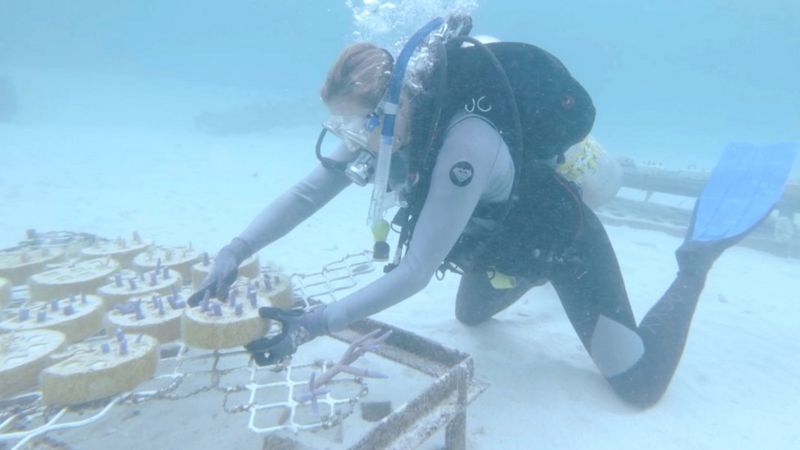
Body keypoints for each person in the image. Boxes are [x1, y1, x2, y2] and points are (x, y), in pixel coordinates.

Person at [188, 16, 747, 408]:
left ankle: (695, 262)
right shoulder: (389, 125)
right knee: (472, 314)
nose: (353, 139)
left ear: (392, 103)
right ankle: (528, 275)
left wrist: (317, 323)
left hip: (561, 241)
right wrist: (236, 251)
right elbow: (310, 192)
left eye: (358, 124)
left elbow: (415, 272)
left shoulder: (466, 143)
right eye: (343, 128)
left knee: (638, 384)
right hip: (498, 243)